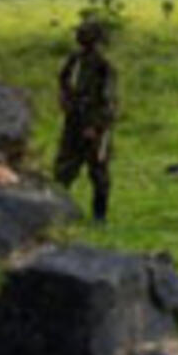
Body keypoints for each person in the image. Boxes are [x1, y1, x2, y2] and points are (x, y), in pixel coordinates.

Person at [54, 20, 118, 223]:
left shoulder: (104, 67)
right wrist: (64, 99)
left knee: (98, 171)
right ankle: (57, 211)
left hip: (95, 125)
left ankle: (99, 216)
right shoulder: (74, 61)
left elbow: (109, 101)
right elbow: (63, 81)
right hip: (73, 121)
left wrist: (96, 126)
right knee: (64, 168)